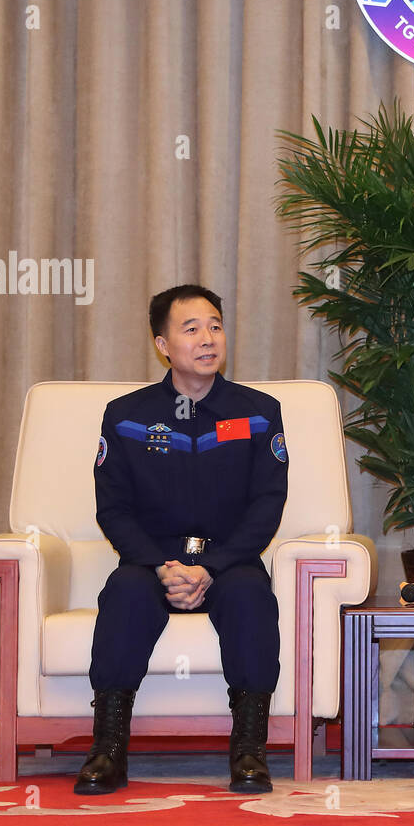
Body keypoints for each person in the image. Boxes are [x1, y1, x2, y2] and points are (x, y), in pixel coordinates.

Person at [75, 284, 289, 795]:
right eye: (191, 329)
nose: (208, 338)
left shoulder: (259, 411)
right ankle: (107, 750)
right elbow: (114, 509)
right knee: (124, 594)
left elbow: (267, 504)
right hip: (153, 560)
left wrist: (211, 567)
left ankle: (249, 751)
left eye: (215, 326)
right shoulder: (126, 415)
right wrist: (161, 565)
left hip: (229, 560)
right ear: (162, 344)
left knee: (251, 597)